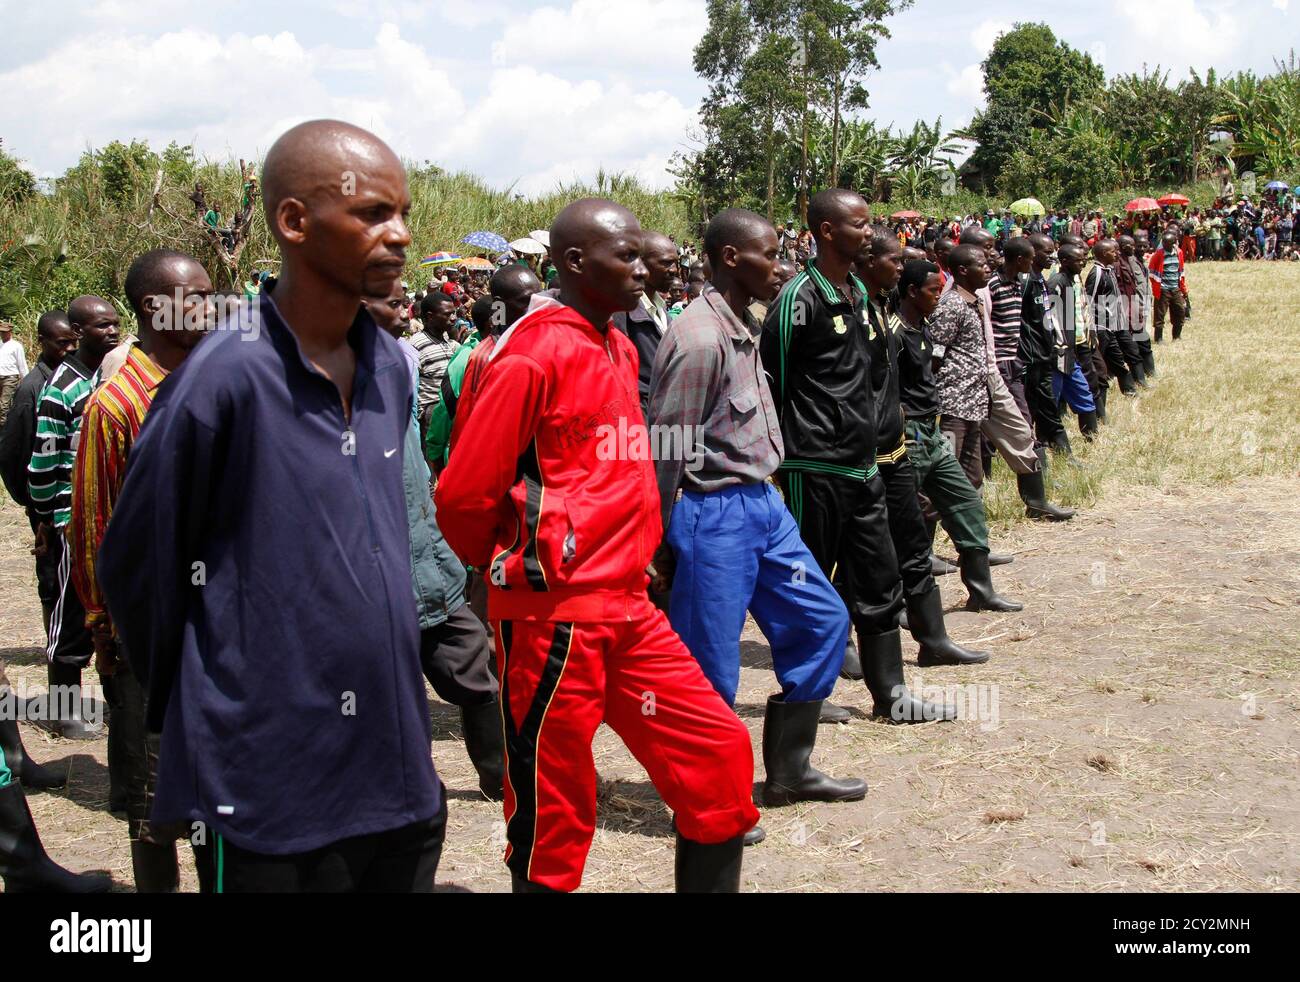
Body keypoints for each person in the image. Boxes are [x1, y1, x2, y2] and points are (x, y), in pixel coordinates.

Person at [97, 120, 446, 893]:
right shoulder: (222, 379)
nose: (400, 236)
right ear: (293, 223)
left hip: (393, 772)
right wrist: (223, 697)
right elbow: (136, 567)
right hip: (264, 789)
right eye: (372, 214)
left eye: (403, 213)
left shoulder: (388, 364)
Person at [435, 198, 759, 893]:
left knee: (718, 754)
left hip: (628, 605)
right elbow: (464, 495)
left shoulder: (612, 341)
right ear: (576, 263)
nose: (645, 269)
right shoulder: (530, 353)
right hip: (553, 617)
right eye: (629, 256)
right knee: (555, 806)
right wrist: (523, 568)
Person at [648, 207, 865, 828]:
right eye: (771, 255)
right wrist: (658, 540)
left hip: (763, 507)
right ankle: (708, 805)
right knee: (711, 669)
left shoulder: (741, 324)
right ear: (732, 258)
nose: (783, 266)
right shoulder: (698, 338)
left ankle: (789, 772)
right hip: (711, 514)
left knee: (822, 619)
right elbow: (666, 448)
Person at [760, 189, 957, 720]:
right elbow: (772, 381)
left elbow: (871, 379)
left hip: (867, 465)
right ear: (827, 231)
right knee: (808, 580)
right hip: (814, 467)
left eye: (870, 225)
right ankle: (807, 693)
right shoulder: (798, 299)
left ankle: (891, 698)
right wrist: (786, 455)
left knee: (877, 577)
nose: (869, 233)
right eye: (859, 224)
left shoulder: (861, 295)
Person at [67, 249, 214, 892]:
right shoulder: (117, 406)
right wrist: (105, 628)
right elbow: (94, 526)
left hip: (214, 629)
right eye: (198, 297)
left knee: (219, 792)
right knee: (153, 803)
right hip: (146, 636)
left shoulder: (216, 387)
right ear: (156, 310)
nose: (212, 308)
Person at [363, 279, 505, 803]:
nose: (406, 312)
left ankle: (499, 778)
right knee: (386, 701)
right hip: (374, 582)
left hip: (430, 565)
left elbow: (415, 466)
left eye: (406, 300)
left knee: (476, 670)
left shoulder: (396, 362)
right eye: (393, 301)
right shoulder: (312, 377)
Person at [894, 259, 1022, 614]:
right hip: (908, 436)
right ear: (911, 292)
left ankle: (981, 591)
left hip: (930, 433)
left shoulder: (920, 327)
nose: (939, 296)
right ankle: (899, 601)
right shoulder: (895, 332)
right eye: (934, 290)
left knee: (966, 502)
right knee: (904, 520)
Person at [29, 295, 120, 741]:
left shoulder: (110, 378)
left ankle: (115, 708)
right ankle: (62, 710)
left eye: (117, 324)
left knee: (105, 618)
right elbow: (43, 464)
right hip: (72, 522)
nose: (114, 332)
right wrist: (47, 519)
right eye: (104, 326)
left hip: (108, 519)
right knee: (70, 618)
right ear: (79, 333)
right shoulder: (62, 387)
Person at [1020, 236, 1075, 458]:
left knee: (1046, 404)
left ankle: (1058, 449)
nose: (1052, 255)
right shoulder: (1024, 283)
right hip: (1030, 358)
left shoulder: (1039, 279)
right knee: (1035, 406)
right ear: (1033, 252)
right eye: (1047, 251)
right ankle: (1045, 452)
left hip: (1044, 354)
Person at [612, 230, 675, 420]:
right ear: (642, 263)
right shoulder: (622, 312)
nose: (673, 270)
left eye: (675, 263)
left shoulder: (662, 309)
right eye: (665, 263)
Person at [1049, 244, 1100, 441]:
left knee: (1084, 394)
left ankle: (1092, 438)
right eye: (1078, 260)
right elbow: (1049, 320)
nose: (1083, 262)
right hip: (1057, 354)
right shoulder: (1056, 283)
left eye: (1083, 259)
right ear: (1064, 261)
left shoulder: (1073, 280)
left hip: (1070, 352)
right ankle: (1050, 442)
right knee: (1051, 402)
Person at [411, 292, 460, 442]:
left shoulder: (446, 340)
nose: (454, 318)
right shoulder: (416, 345)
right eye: (447, 314)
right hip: (432, 413)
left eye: (454, 313)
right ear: (430, 317)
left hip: (450, 410)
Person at [1149, 230, 1188, 342]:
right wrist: (1158, 285)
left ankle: (1176, 336)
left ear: (1174, 243)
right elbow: (1151, 272)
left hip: (1175, 288)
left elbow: (1180, 270)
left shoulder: (1179, 252)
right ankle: (1159, 338)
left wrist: (1183, 288)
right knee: (1160, 314)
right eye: (1164, 242)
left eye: (1168, 243)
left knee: (1180, 312)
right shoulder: (1158, 254)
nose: (1165, 245)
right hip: (1163, 289)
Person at [0, 321, 28, 428]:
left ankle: (4, 429)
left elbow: (22, 364)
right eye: (1, 332)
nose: (3, 334)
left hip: (10, 377)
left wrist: (25, 380)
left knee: (4, 404)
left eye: (4, 332)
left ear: (10, 332)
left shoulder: (16, 346)